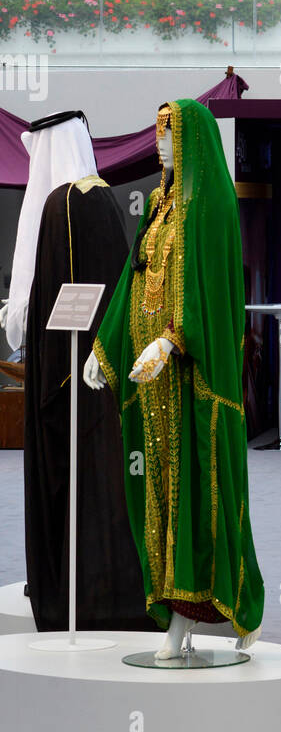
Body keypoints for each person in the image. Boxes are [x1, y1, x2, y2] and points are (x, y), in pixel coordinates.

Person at [84, 99, 264, 658]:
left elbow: (215, 299)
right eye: (160, 134)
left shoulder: (209, 209)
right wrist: (104, 346)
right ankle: (176, 615)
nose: (160, 144)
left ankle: (218, 614)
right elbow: (131, 281)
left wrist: (172, 340)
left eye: (171, 135)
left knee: (200, 496)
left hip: (192, 388)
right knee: (158, 497)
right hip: (151, 389)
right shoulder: (158, 206)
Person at [1, 111, 152, 631]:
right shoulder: (104, 197)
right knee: (109, 479)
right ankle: (114, 587)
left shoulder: (62, 203)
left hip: (67, 378)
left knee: (72, 481)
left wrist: (48, 372)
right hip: (102, 372)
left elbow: (51, 301)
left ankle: (69, 587)